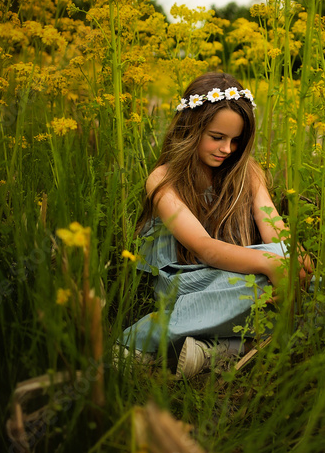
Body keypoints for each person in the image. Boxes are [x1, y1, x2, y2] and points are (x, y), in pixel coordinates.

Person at [119, 72, 313, 377]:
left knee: (317, 288)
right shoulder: (163, 179)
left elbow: (274, 227)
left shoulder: (248, 173)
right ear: (190, 129)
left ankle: (218, 351)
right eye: (217, 137)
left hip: (238, 272)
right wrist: (272, 263)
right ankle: (140, 343)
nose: (227, 149)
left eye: (236, 141)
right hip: (187, 283)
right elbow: (204, 248)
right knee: (272, 285)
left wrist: (293, 257)